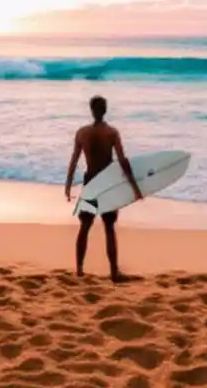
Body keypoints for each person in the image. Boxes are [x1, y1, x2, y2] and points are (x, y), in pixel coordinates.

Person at [65, 95, 143, 282]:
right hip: (106, 184)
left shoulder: (82, 133)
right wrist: (135, 187)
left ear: (91, 110)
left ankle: (80, 270)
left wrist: (68, 184)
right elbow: (123, 162)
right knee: (109, 227)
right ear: (105, 110)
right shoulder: (112, 133)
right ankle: (114, 272)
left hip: (91, 182)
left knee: (85, 227)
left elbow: (74, 160)